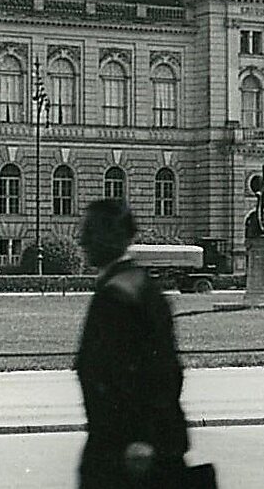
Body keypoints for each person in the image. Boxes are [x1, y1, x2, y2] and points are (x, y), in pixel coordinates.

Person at [75, 199, 189, 488]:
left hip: (127, 450)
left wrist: (142, 439)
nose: (83, 239)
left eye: (92, 230)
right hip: (128, 444)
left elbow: (158, 371)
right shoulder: (134, 285)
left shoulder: (119, 294)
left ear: (116, 235)